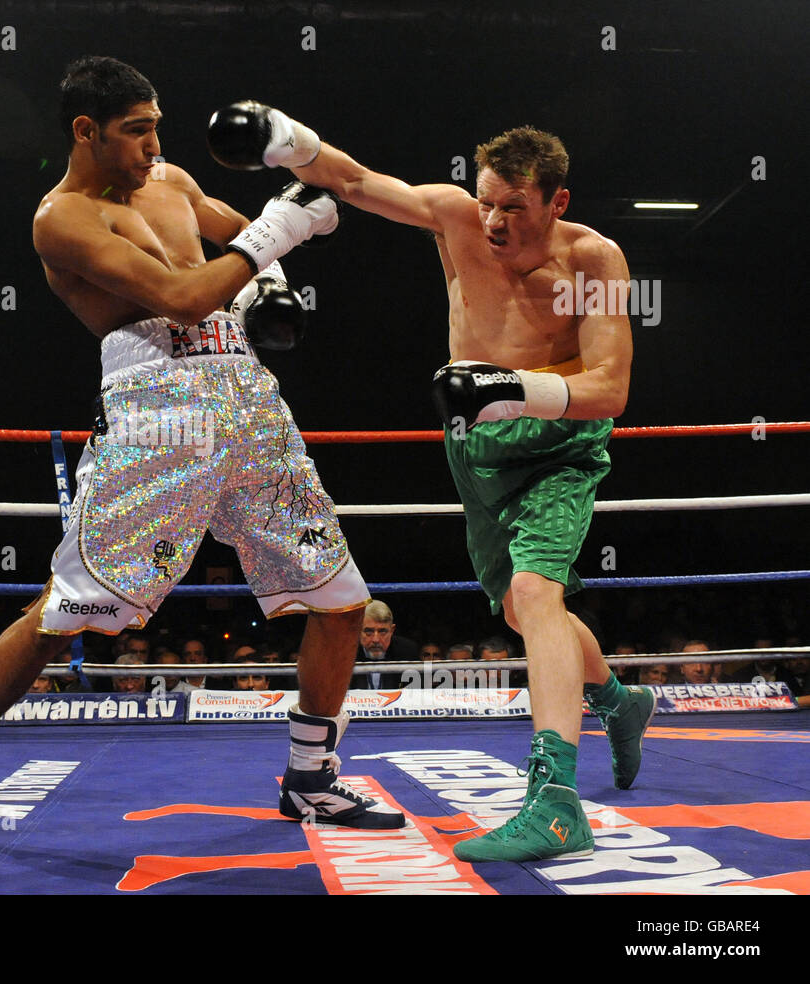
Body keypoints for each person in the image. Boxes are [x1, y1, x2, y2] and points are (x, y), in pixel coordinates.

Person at [0, 56, 401, 855]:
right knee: (65, 615)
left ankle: (310, 779)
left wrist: (270, 288)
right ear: (86, 130)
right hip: (156, 409)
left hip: (249, 399)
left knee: (341, 600)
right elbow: (186, 295)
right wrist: (285, 225)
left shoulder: (175, 180)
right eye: (135, 130)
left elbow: (237, 249)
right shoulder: (63, 219)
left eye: (158, 125)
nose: (155, 144)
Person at [207, 103, 656, 862]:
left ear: (558, 202)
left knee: (538, 595)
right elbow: (350, 180)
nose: (494, 222)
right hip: (476, 447)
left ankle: (555, 802)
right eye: (486, 202)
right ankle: (615, 700)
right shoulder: (454, 218)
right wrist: (283, 140)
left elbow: (611, 388)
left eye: (514, 207)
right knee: (520, 609)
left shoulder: (595, 263)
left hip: (559, 445)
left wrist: (515, 386)